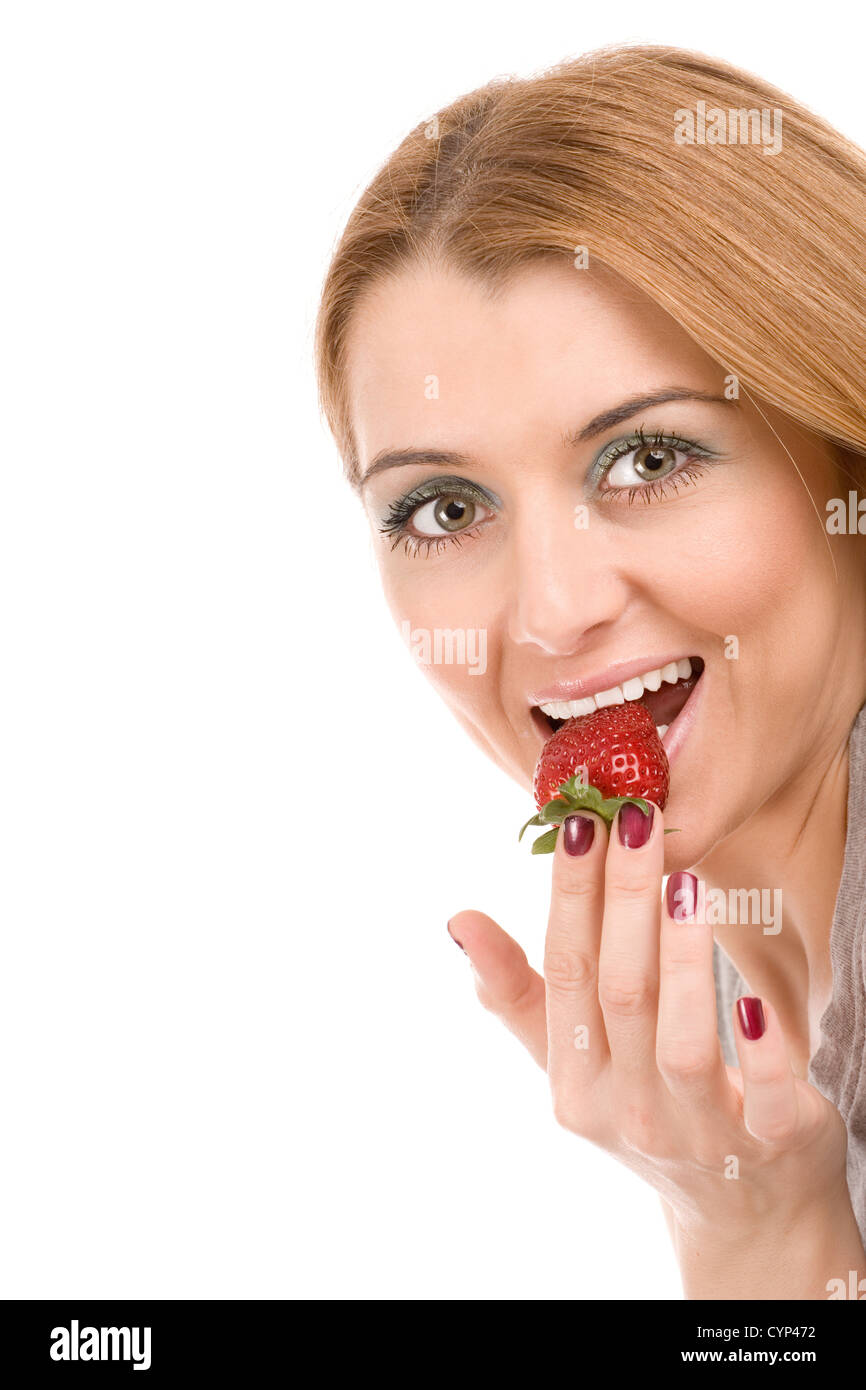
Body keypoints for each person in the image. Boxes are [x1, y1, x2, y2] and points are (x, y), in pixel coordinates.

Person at [313, 42, 866, 1298]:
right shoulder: (729, 957)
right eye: (443, 509)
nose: (553, 612)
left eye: (646, 459)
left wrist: (761, 1245)